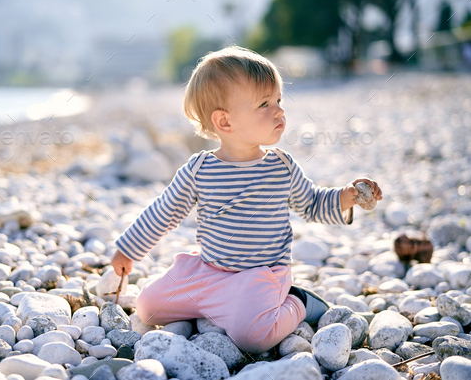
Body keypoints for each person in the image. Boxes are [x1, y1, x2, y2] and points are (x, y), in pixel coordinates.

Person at [110, 45, 382, 354]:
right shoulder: (200, 169)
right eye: (265, 104)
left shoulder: (281, 166)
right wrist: (127, 249)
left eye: (279, 100)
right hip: (209, 271)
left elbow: (314, 204)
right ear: (225, 122)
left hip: (261, 275)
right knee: (148, 307)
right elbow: (163, 212)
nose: (279, 110)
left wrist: (348, 196)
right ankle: (219, 306)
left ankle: (298, 303)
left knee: (253, 337)